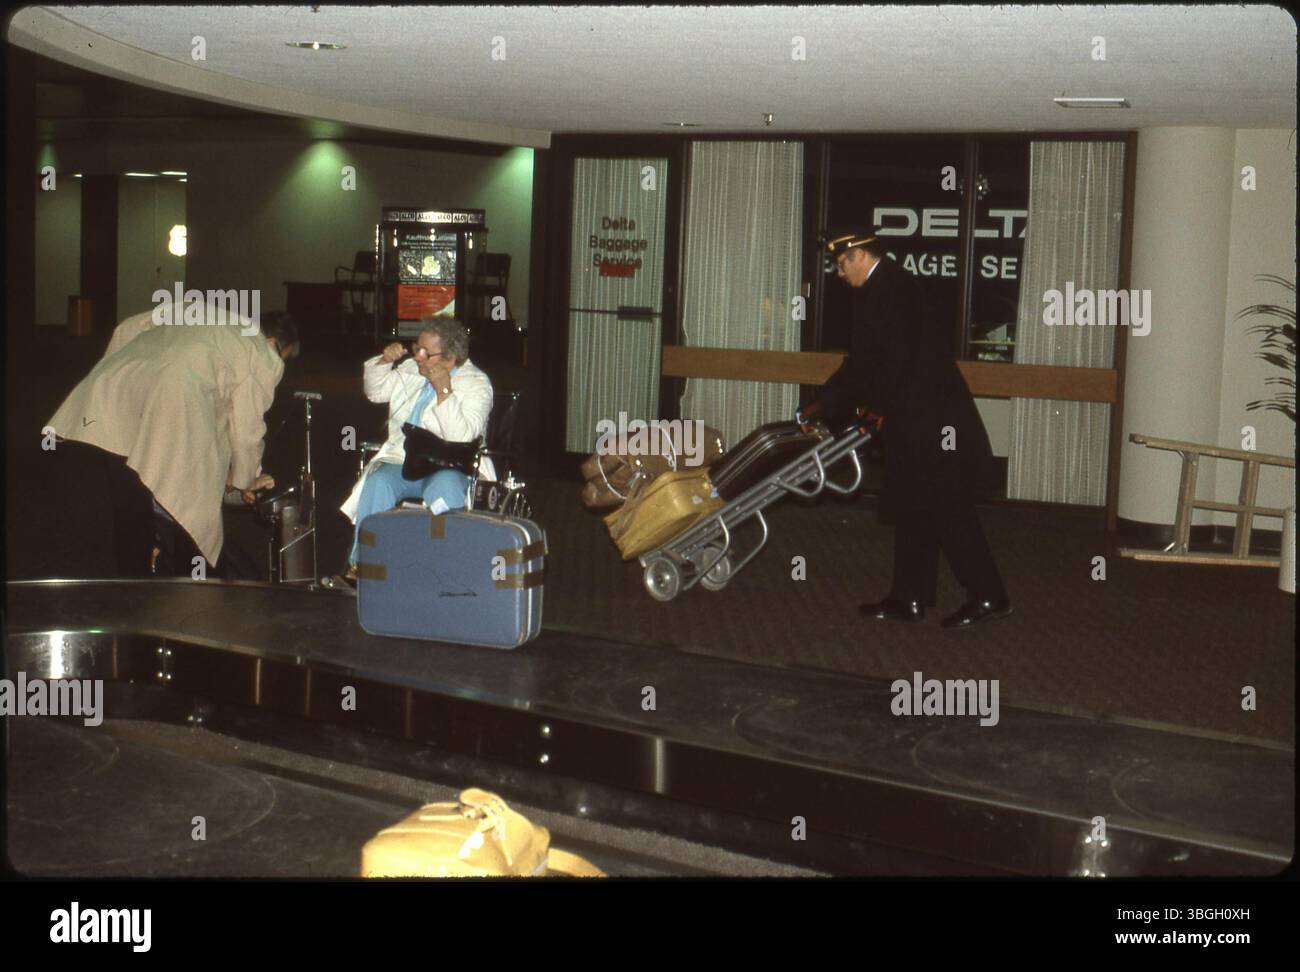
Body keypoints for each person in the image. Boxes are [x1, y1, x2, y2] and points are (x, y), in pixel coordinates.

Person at [800, 231, 1011, 629]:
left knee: (949, 507)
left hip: (932, 421)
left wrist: (826, 404)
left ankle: (989, 595)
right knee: (914, 505)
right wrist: (839, 404)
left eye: (842, 263)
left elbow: (878, 363)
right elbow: (873, 363)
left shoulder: (888, 292)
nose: (839, 272)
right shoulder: (887, 287)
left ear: (861, 255)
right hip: (915, 418)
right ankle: (909, 596)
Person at [46, 305, 298, 578]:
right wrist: (247, 478)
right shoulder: (261, 350)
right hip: (171, 400)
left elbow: (126, 328)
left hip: (114, 387)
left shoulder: (202, 313)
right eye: (283, 357)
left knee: (130, 511)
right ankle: (189, 595)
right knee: (191, 510)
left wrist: (116, 371)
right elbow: (247, 428)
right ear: (274, 342)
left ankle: (130, 596)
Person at [333, 319, 495, 587]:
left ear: (450, 358)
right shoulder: (411, 368)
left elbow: (462, 437)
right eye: (416, 347)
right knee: (378, 483)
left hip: (450, 464)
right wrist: (384, 362)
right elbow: (374, 393)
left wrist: (444, 391)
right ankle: (363, 566)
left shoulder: (477, 383)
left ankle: (443, 571)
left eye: (425, 352)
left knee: (444, 490)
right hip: (403, 460)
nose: (417, 356)